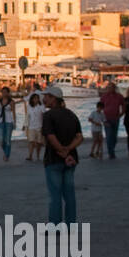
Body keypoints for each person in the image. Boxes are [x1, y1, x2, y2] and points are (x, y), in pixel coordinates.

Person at [41, 87, 83, 226]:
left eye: (46, 96)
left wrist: (61, 150)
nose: (44, 99)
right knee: (69, 194)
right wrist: (69, 149)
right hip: (71, 159)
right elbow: (79, 137)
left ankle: (55, 226)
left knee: (55, 196)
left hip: (54, 159)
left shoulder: (48, 116)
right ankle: (71, 224)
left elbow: (50, 137)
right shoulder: (71, 114)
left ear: (53, 98)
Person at [99, 82, 125, 159]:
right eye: (109, 87)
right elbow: (100, 107)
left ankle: (112, 148)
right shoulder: (104, 97)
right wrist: (101, 118)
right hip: (106, 118)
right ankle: (111, 152)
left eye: (112, 87)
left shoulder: (119, 96)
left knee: (114, 137)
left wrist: (121, 114)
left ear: (115, 88)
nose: (110, 89)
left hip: (116, 118)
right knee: (109, 136)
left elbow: (123, 105)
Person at [0, 87, 17, 162]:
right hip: (0, 122)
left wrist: (14, 122)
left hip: (9, 122)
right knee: (1, 140)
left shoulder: (11, 102)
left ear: (8, 93)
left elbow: (14, 113)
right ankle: (5, 152)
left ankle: (7, 155)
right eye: (2, 92)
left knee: (7, 140)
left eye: (5, 92)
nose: (4, 93)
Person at [23, 94, 44, 162]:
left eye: (37, 98)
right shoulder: (29, 107)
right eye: (34, 98)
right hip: (31, 126)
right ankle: (30, 155)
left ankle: (37, 155)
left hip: (39, 127)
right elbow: (27, 116)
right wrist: (24, 125)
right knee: (31, 141)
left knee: (39, 143)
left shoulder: (41, 107)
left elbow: (44, 117)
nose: (36, 100)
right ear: (32, 99)